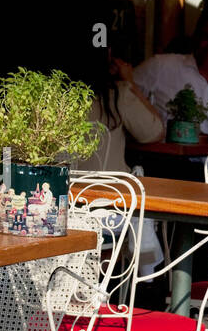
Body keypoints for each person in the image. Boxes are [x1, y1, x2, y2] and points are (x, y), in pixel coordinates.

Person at [70, 44, 167, 276]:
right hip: (103, 210)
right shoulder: (116, 95)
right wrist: (130, 83)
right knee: (140, 215)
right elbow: (155, 132)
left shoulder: (50, 98)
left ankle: (85, 279)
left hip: (57, 207)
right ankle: (134, 281)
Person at [132, 11, 208, 145]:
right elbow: (122, 93)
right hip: (162, 162)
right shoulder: (161, 66)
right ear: (196, 38)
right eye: (207, 37)